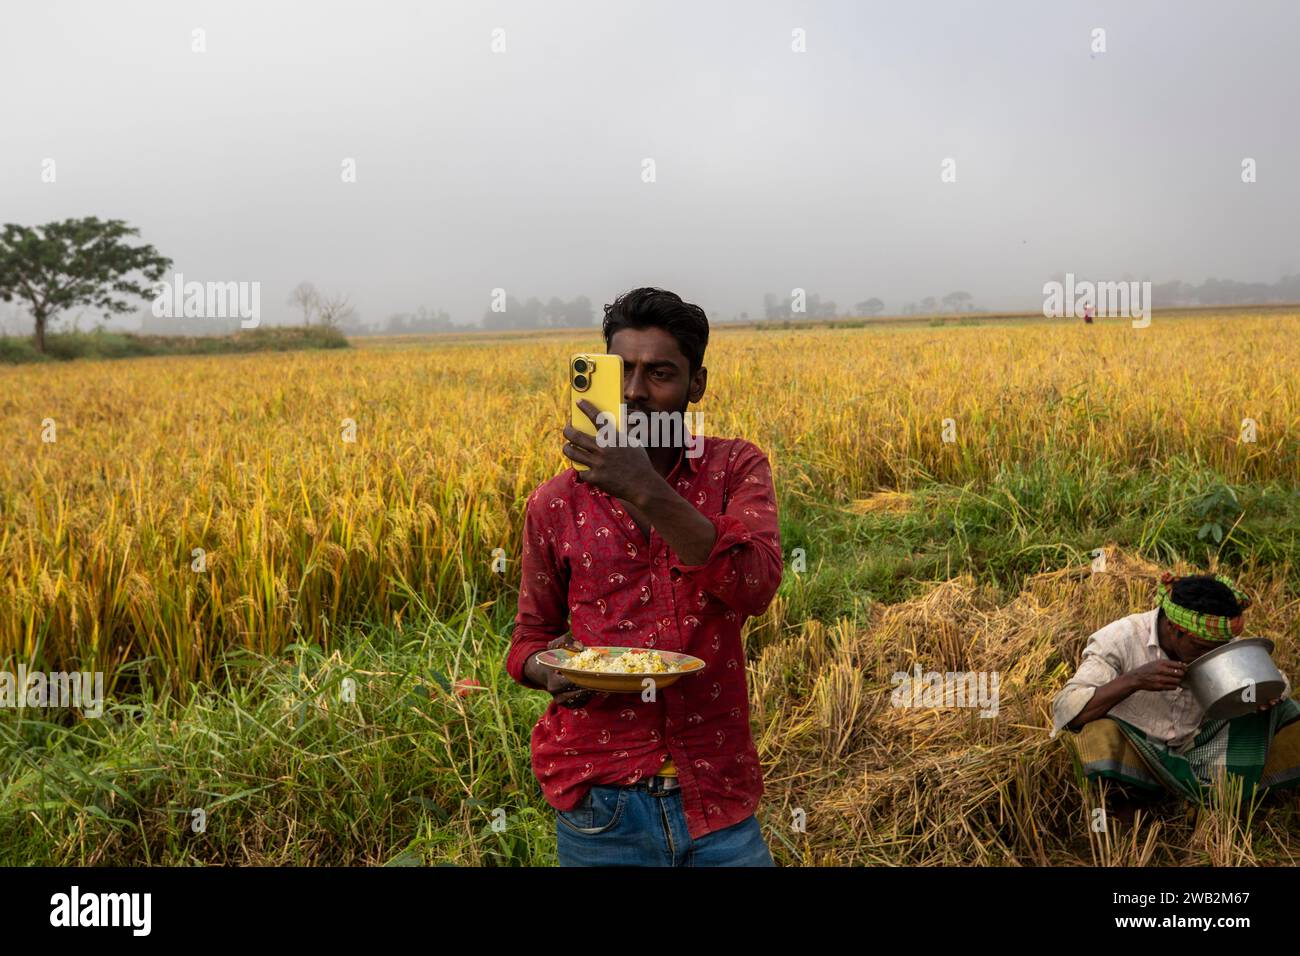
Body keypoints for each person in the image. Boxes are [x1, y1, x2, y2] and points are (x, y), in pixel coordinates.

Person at [506, 287, 783, 866]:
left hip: (717, 798)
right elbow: (528, 642)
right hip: (600, 804)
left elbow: (755, 586)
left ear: (696, 385)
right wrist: (551, 670)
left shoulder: (735, 467)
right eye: (622, 371)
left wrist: (644, 487)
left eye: (659, 373)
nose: (635, 393)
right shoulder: (554, 505)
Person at [1052, 572, 1300, 817]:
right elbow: (1067, 708)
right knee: (1099, 733)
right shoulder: (1121, 639)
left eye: (1218, 649)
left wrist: (1260, 695)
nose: (1209, 656)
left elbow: (1277, 681)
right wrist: (1135, 680)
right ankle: (1134, 811)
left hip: (1202, 746)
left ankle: (1222, 798)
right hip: (1142, 753)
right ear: (1173, 627)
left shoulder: (1214, 637)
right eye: (1201, 649)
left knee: (1287, 714)